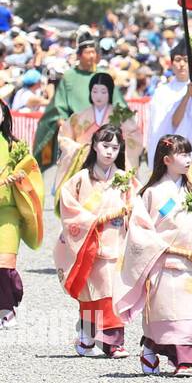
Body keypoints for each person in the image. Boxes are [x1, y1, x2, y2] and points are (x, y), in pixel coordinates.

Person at [117, 133, 192, 375]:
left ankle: (182, 359)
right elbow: (140, 228)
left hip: (190, 260)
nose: (188, 159)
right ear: (166, 160)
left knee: (186, 312)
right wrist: (156, 246)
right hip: (162, 260)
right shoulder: (152, 193)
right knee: (163, 312)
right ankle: (151, 346)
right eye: (183, 154)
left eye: (189, 154)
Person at [54, 124, 135, 359]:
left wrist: (129, 213)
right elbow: (68, 207)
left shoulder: (124, 179)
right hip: (89, 243)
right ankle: (87, 336)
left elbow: (136, 208)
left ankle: (113, 343)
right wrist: (94, 220)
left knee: (111, 292)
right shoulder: (80, 180)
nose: (110, 152)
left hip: (116, 243)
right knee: (89, 292)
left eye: (115, 147)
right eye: (105, 146)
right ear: (95, 147)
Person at [53, 70, 144, 207]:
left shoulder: (121, 116)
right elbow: (64, 138)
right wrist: (79, 149)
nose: (98, 96)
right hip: (85, 163)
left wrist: (117, 148)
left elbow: (134, 137)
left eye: (103, 91)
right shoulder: (79, 117)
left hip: (113, 162)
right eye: (95, 91)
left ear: (110, 93)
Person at [35, 38, 119, 168]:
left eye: (94, 52)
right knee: (73, 173)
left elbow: (115, 102)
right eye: (88, 52)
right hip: (76, 133)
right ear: (79, 55)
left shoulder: (103, 74)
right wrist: (65, 127)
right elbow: (59, 106)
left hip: (102, 131)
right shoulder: (69, 76)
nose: (92, 56)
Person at [0, 100, 43, 328]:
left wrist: (20, 178)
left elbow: (30, 171)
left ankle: (9, 303)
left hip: (7, 212)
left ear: (4, 115)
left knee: (5, 263)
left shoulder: (13, 145)